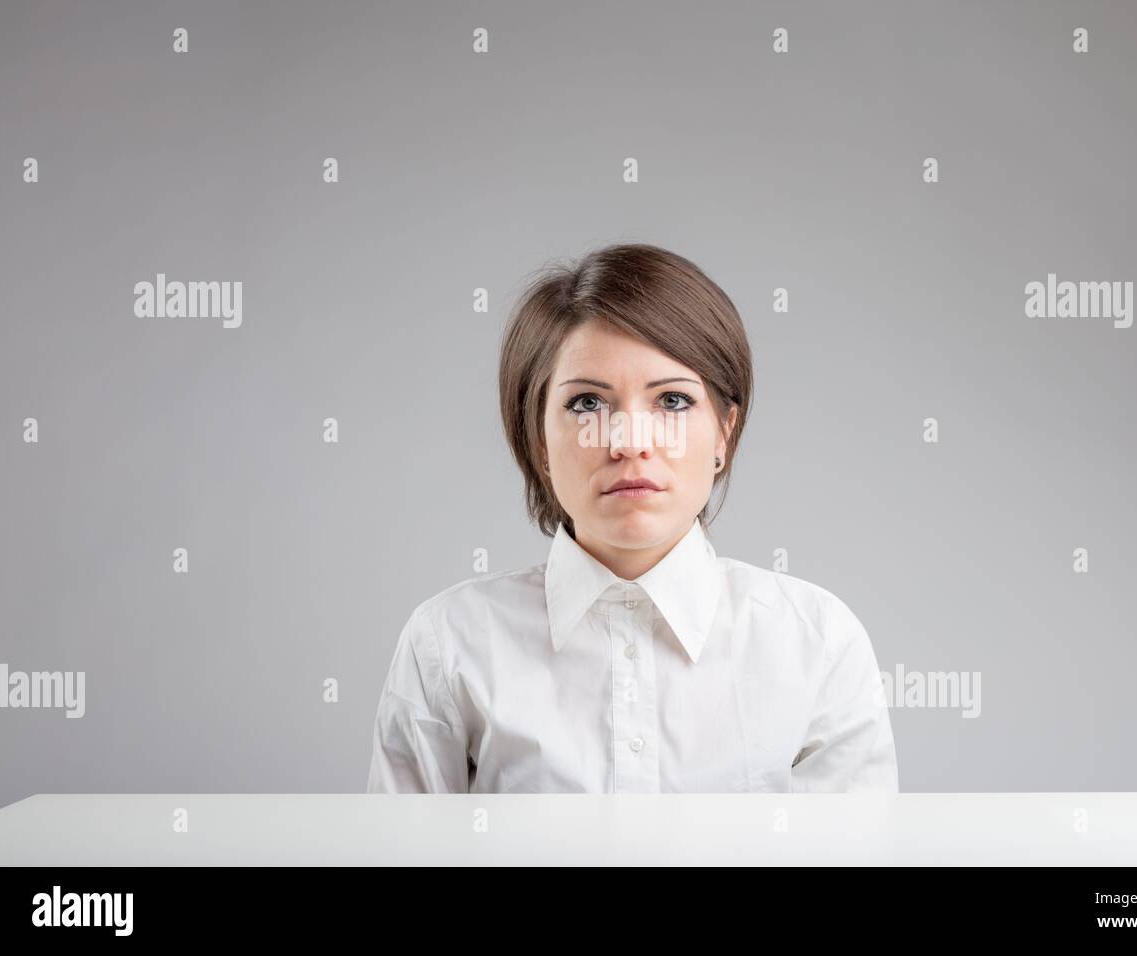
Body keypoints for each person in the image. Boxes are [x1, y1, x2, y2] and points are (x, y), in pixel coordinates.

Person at [366, 243, 898, 793]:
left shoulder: (817, 642)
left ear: (724, 432)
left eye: (671, 402)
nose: (628, 442)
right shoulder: (447, 645)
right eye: (587, 405)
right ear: (538, 440)